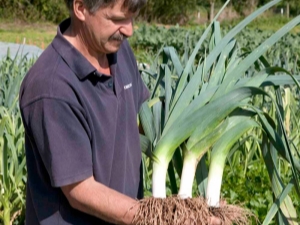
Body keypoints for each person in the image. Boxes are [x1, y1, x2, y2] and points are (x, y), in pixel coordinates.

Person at [19, 0, 222, 224]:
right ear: (80, 9)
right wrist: (163, 218)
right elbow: (80, 191)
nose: (129, 30)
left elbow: (143, 121)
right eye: (116, 19)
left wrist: (199, 124)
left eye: (131, 18)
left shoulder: (118, 51)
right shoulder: (52, 87)